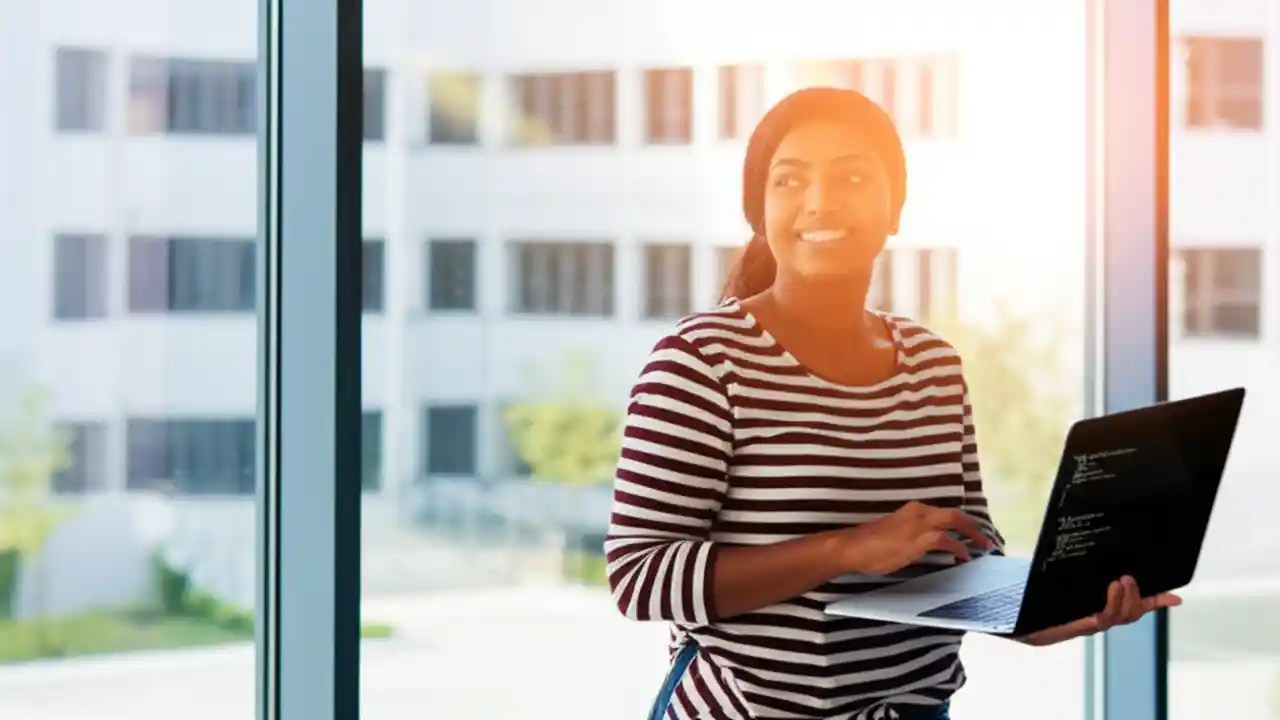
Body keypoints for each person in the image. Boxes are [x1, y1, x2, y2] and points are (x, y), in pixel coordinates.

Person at [604, 87, 1181, 720]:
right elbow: (640, 576)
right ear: (759, 212)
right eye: (789, 180)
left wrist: (1054, 611)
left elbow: (966, 551)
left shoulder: (934, 365)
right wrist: (848, 549)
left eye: (851, 177)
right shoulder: (701, 360)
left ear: (895, 208)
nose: (819, 201)